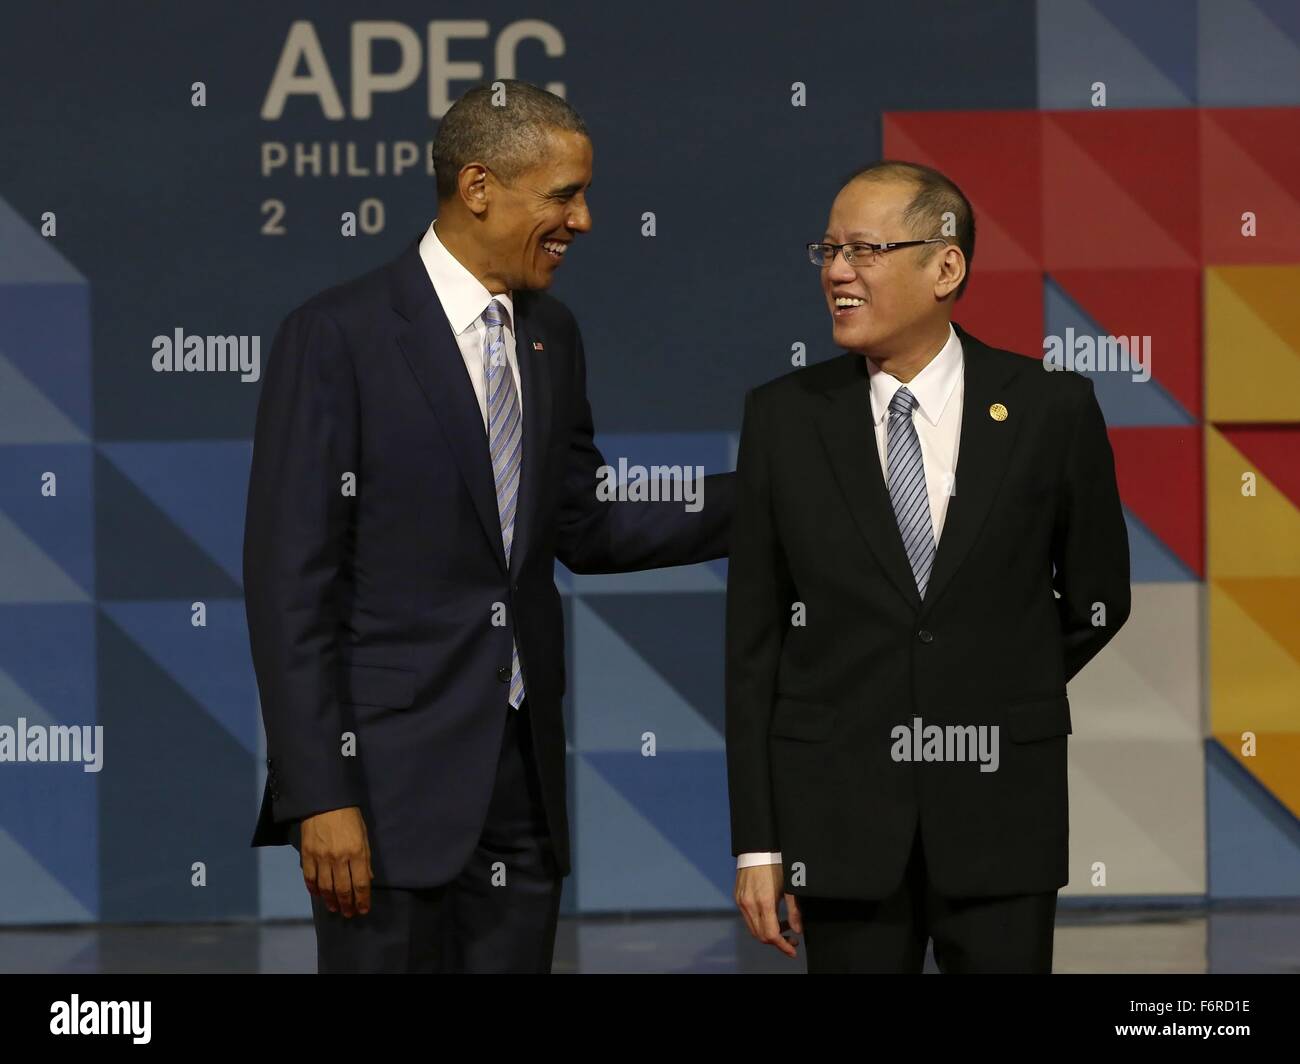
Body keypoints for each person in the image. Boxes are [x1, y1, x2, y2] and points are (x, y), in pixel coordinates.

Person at [244, 80, 733, 973]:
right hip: (383, 785)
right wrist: (318, 794)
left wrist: (773, 495)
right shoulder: (337, 335)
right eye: (564, 194)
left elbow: (584, 525)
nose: (582, 220)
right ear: (478, 187)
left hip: (521, 786)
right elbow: (289, 587)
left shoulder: (553, 335)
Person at [726, 160, 1130, 973]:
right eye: (828, 251)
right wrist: (759, 845)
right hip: (839, 824)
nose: (837, 272)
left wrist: (992, 680)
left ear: (946, 266)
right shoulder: (783, 419)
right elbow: (753, 646)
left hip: (1001, 811)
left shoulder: (1052, 409)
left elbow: (1098, 600)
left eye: (865, 250)